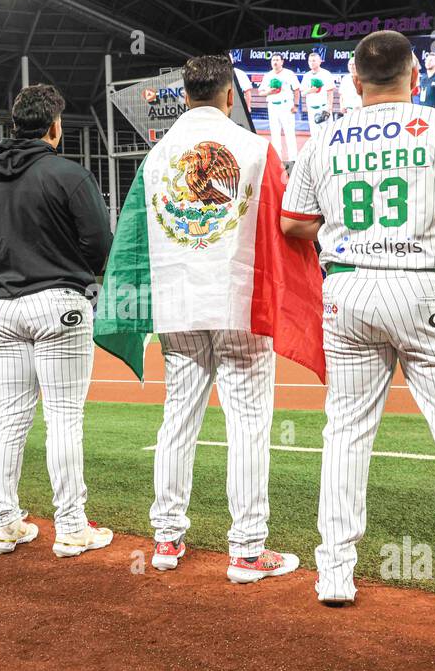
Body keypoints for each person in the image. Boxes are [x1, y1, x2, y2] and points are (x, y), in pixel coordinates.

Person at [282, 30, 435, 617]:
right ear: (415, 79)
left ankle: (334, 573)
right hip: (428, 285)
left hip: (349, 289)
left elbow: (293, 224)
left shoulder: (326, 138)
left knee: (345, 432)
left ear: (356, 84)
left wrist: (349, 235)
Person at [114, 54, 319, 582]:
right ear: (230, 97)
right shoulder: (256, 149)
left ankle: (165, 539)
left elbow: (133, 238)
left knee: (178, 419)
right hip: (237, 304)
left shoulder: (156, 157)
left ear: (184, 96)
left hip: (178, 306)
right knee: (248, 424)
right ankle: (247, 551)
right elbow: (284, 227)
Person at [0, 84, 113, 557]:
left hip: (4, 307)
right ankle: (70, 527)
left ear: (14, 125)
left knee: (8, 421)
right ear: (53, 127)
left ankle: (3, 523)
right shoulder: (66, 173)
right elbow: (99, 243)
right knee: (64, 419)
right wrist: (78, 274)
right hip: (59, 303)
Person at [256, 53, 300, 162]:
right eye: (273, 60)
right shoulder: (268, 75)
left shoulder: (289, 73)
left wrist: (296, 105)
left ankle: (293, 159)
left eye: (277, 60)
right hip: (273, 106)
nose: (275, 62)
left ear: (282, 61)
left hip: (286, 106)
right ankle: (277, 160)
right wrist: (269, 92)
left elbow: (296, 89)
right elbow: (260, 92)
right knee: (275, 134)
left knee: (289, 133)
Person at [301, 51, 336, 130]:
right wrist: (310, 90)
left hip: (323, 108)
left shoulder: (326, 74)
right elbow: (302, 94)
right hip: (311, 109)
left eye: (314, 61)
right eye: (310, 61)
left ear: (320, 61)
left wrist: (329, 108)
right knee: (314, 135)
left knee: (327, 133)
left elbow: (330, 92)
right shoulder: (306, 75)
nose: (311, 63)